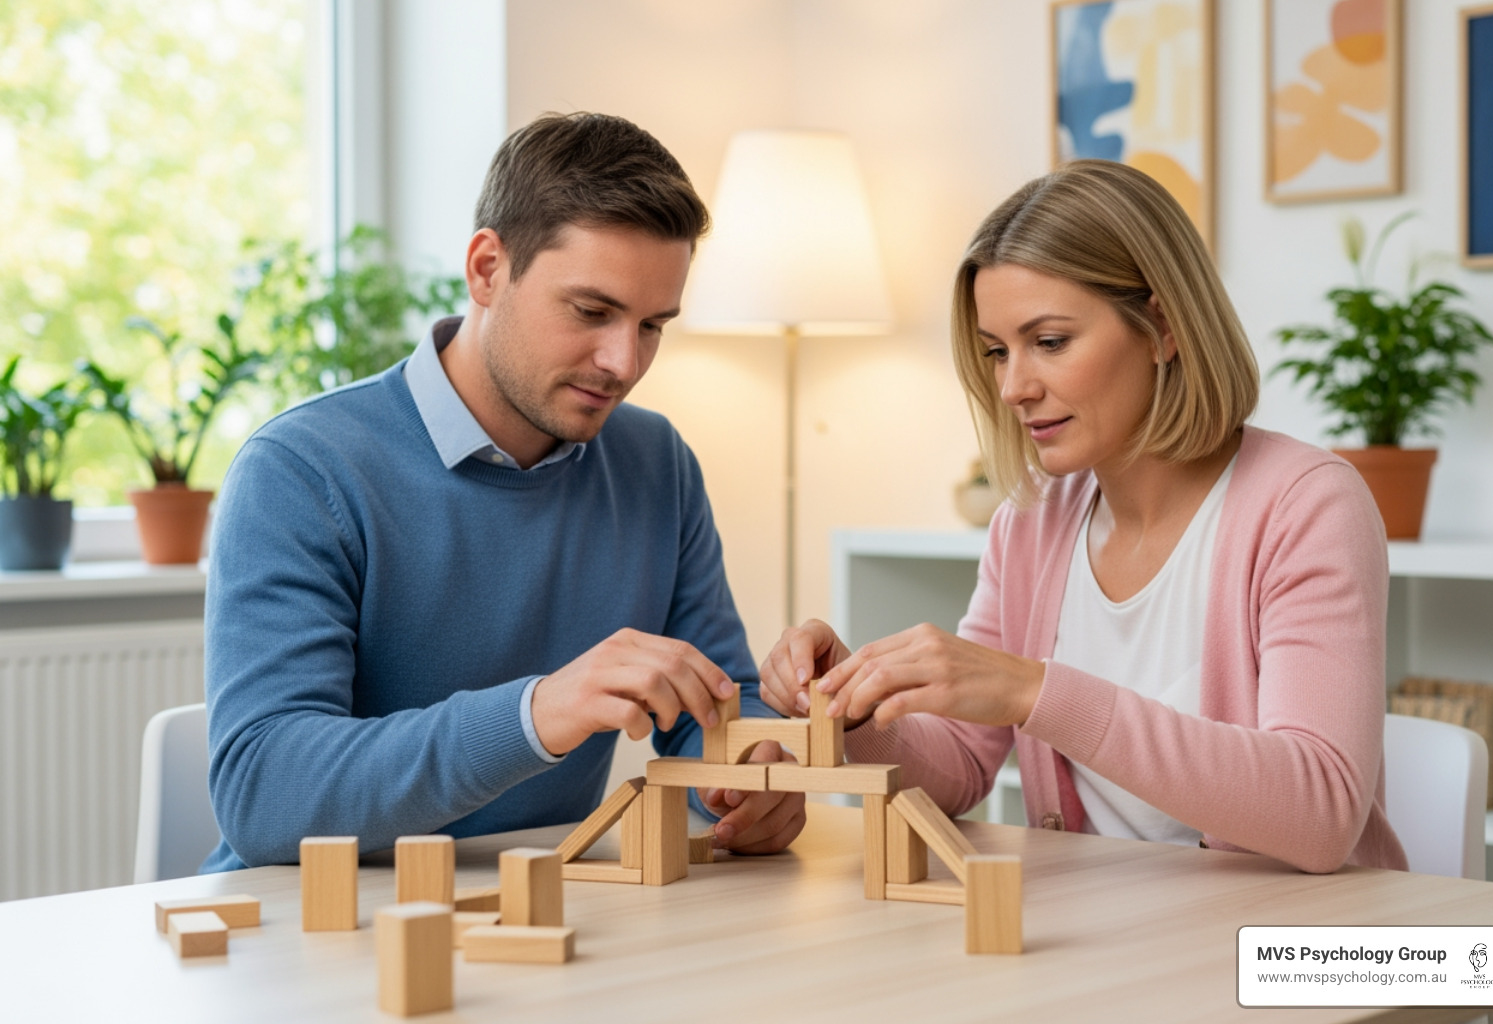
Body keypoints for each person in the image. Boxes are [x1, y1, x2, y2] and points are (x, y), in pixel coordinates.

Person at [759, 159, 1407, 874]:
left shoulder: (1307, 505)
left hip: (1283, 936)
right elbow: (961, 766)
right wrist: (857, 707)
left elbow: (1320, 814)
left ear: (1162, 327)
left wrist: (1032, 690)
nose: (1013, 386)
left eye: (1050, 342)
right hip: (1104, 930)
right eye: (997, 351)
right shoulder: (1031, 524)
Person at [202, 112, 805, 871]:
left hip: (545, 906)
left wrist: (753, 775)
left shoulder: (656, 463)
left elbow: (713, 706)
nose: (623, 362)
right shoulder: (301, 469)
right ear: (487, 269)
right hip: (314, 917)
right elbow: (263, 794)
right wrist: (536, 715)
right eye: (591, 312)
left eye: (653, 325)